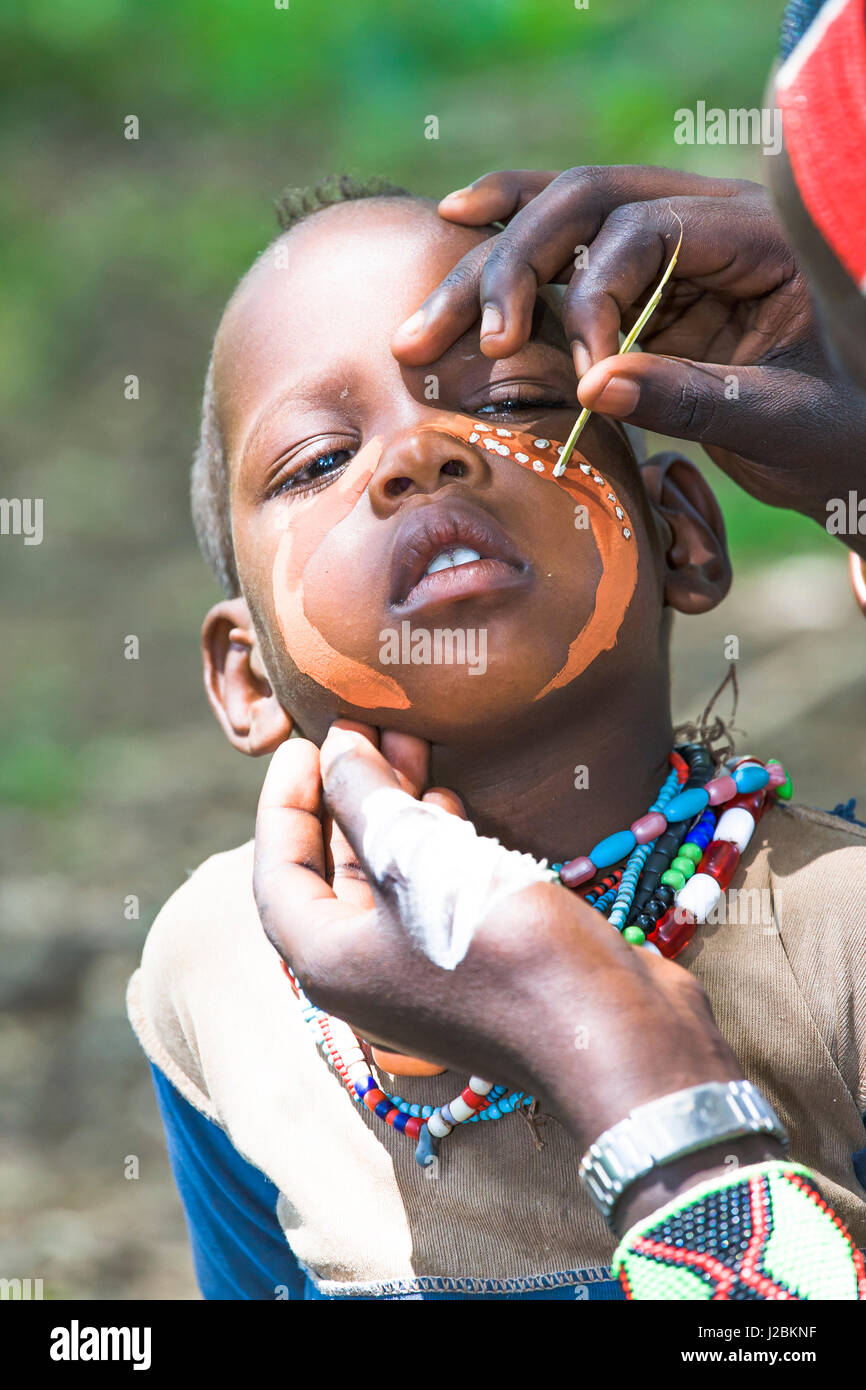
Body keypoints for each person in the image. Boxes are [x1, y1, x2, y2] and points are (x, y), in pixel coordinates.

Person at [127, 172, 866, 1300]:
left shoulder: (834, 931)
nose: (418, 457)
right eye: (318, 461)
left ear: (680, 533)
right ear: (246, 674)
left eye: (512, 403)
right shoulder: (214, 972)